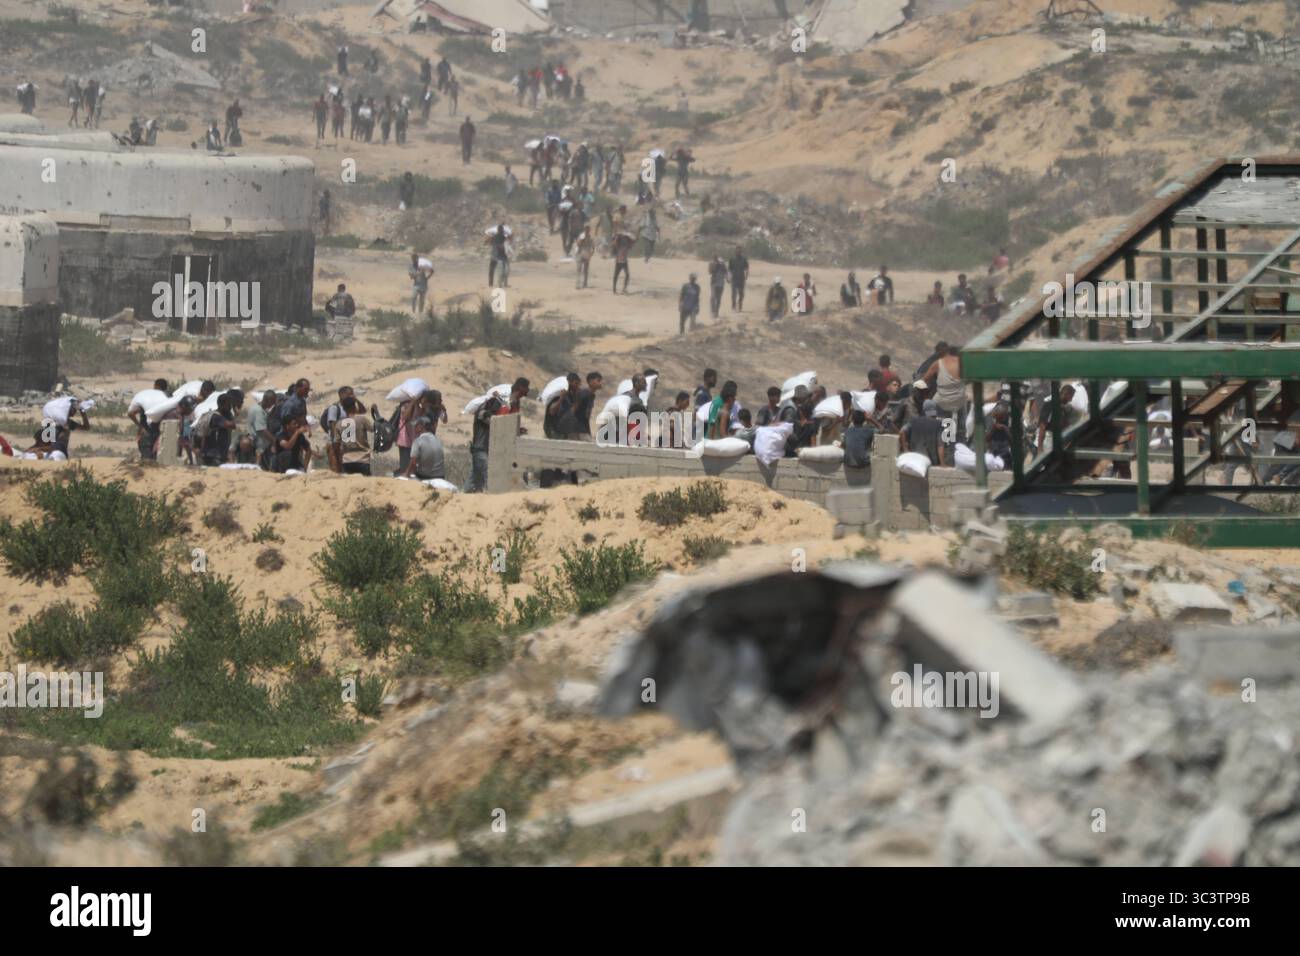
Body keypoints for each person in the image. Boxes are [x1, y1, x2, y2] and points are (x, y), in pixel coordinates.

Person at [469, 378, 529, 492]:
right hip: (482, 448)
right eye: (526, 387)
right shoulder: (491, 407)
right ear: (520, 388)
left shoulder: (512, 404)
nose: (528, 390)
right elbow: (494, 421)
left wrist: (516, 429)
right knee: (484, 483)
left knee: (477, 481)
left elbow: (505, 424)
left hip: (493, 450)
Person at [924, 344, 967, 444]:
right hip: (959, 401)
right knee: (961, 427)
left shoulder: (938, 363)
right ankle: (961, 443)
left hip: (943, 402)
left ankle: (943, 442)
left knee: (929, 405)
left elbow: (924, 380)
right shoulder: (962, 362)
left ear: (939, 353)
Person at [902, 400, 946, 466]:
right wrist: (943, 464)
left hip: (914, 459)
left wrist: (905, 449)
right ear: (935, 410)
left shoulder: (914, 421)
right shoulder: (939, 424)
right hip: (931, 462)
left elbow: (902, 431)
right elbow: (940, 446)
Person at [545, 373, 583, 439]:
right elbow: (551, 411)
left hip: (563, 430)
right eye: (576, 383)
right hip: (553, 430)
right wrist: (561, 398)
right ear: (569, 382)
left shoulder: (571, 395)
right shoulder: (558, 394)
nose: (577, 386)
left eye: (579, 384)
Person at [249, 389, 277, 469]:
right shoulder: (259, 411)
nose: (273, 404)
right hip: (259, 443)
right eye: (272, 402)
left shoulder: (258, 408)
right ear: (268, 400)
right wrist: (274, 441)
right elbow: (262, 430)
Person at [573, 371, 603, 440]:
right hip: (577, 428)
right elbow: (574, 410)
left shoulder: (591, 395)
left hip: (584, 427)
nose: (600, 383)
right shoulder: (584, 394)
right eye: (598, 381)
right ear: (591, 382)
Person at [487, 224, 511, 288]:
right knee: (503, 270)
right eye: (501, 230)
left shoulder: (496, 237)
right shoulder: (501, 237)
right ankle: (502, 284)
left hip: (496, 255)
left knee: (493, 270)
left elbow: (488, 243)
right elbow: (506, 243)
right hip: (499, 255)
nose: (502, 231)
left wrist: (490, 237)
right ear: (501, 230)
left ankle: (491, 284)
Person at [728, 246, 749, 311]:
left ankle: (740, 306)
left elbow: (747, 268)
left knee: (741, 294)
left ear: (741, 252)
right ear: (735, 252)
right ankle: (733, 306)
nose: (738, 252)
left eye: (739, 251)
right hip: (734, 279)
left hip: (741, 279)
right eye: (737, 251)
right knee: (733, 294)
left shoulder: (744, 259)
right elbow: (729, 269)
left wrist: (746, 275)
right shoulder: (732, 259)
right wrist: (729, 277)